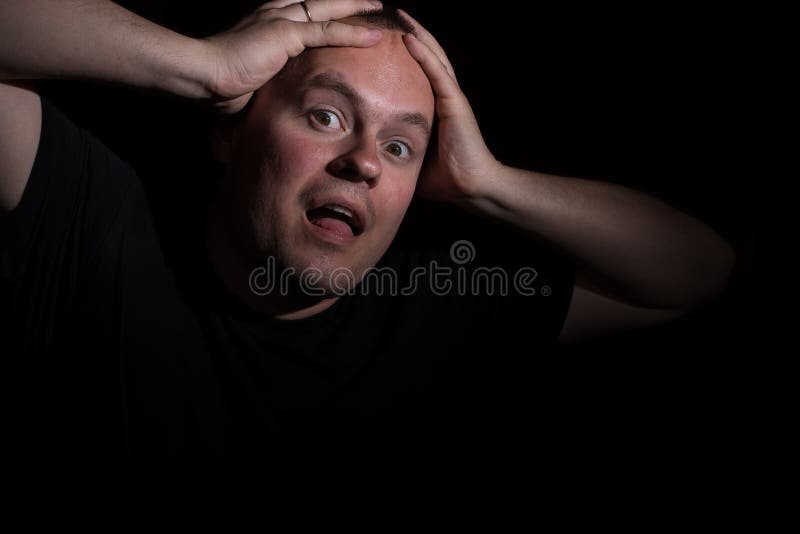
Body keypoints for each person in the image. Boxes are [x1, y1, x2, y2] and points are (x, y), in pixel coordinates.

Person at [0, 0, 736, 527]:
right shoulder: (99, 225)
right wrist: (199, 65)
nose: (362, 163)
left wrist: (492, 183)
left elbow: (697, 270)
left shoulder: (440, 305)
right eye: (326, 115)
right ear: (232, 133)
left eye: (399, 146)